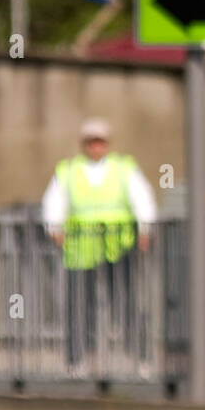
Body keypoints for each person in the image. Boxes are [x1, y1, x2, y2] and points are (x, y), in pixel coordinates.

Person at [42, 118, 157, 381]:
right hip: (82, 247)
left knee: (129, 303)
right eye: (91, 142)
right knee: (79, 304)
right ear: (84, 144)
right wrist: (54, 227)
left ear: (107, 144)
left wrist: (146, 229)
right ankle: (77, 359)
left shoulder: (124, 167)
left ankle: (139, 357)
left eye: (100, 142)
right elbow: (54, 200)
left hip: (120, 245)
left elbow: (142, 198)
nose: (96, 147)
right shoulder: (68, 169)